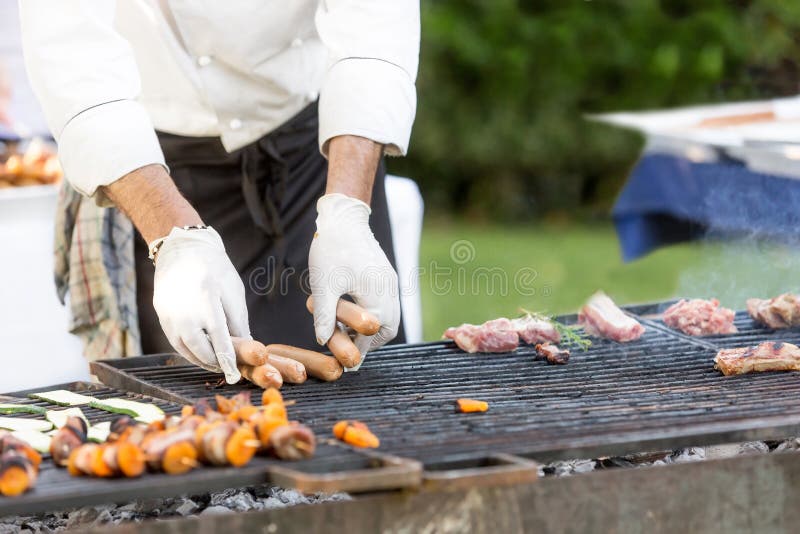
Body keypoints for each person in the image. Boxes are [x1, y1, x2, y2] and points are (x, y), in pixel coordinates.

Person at [19, 1, 420, 383]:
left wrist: (347, 209)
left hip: (320, 150)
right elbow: (71, 52)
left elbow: (375, 22)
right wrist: (176, 240)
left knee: (363, 372)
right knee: (206, 398)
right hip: (162, 169)